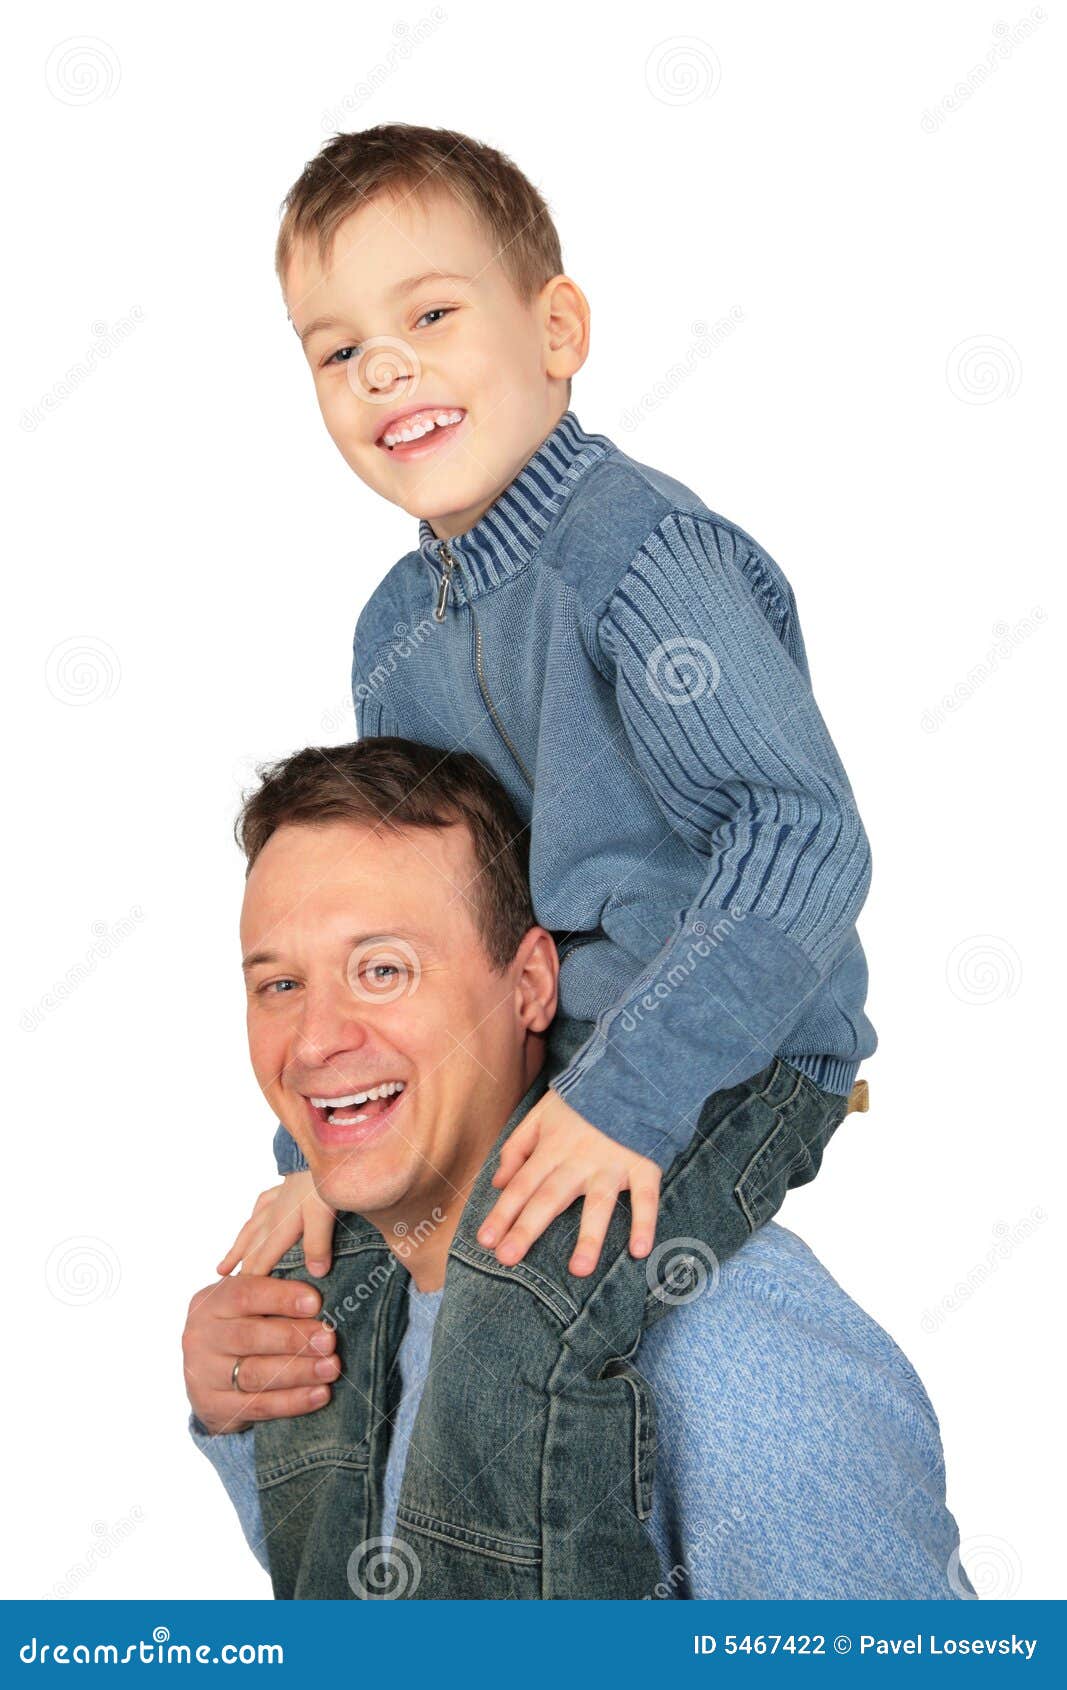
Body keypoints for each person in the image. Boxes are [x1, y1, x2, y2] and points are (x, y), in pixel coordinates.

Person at [215, 120, 879, 1592]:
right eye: (338, 349)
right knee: (325, 1306)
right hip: (545, 1065)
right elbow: (419, 920)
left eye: (430, 315)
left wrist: (627, 1096)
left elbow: (797, 831)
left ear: (557, 332)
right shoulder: (392, 632)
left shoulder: (638, 555)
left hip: (722, 1053)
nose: (384, 369)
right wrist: (316, 1161)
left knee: (528, 1283)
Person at [183, 741, 970, 1600]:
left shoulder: (731, 1342)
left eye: (382, 971)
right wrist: (237, 1420)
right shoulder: (344, 1306)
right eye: (280, 985)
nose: (314, 1041)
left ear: (529, 985)